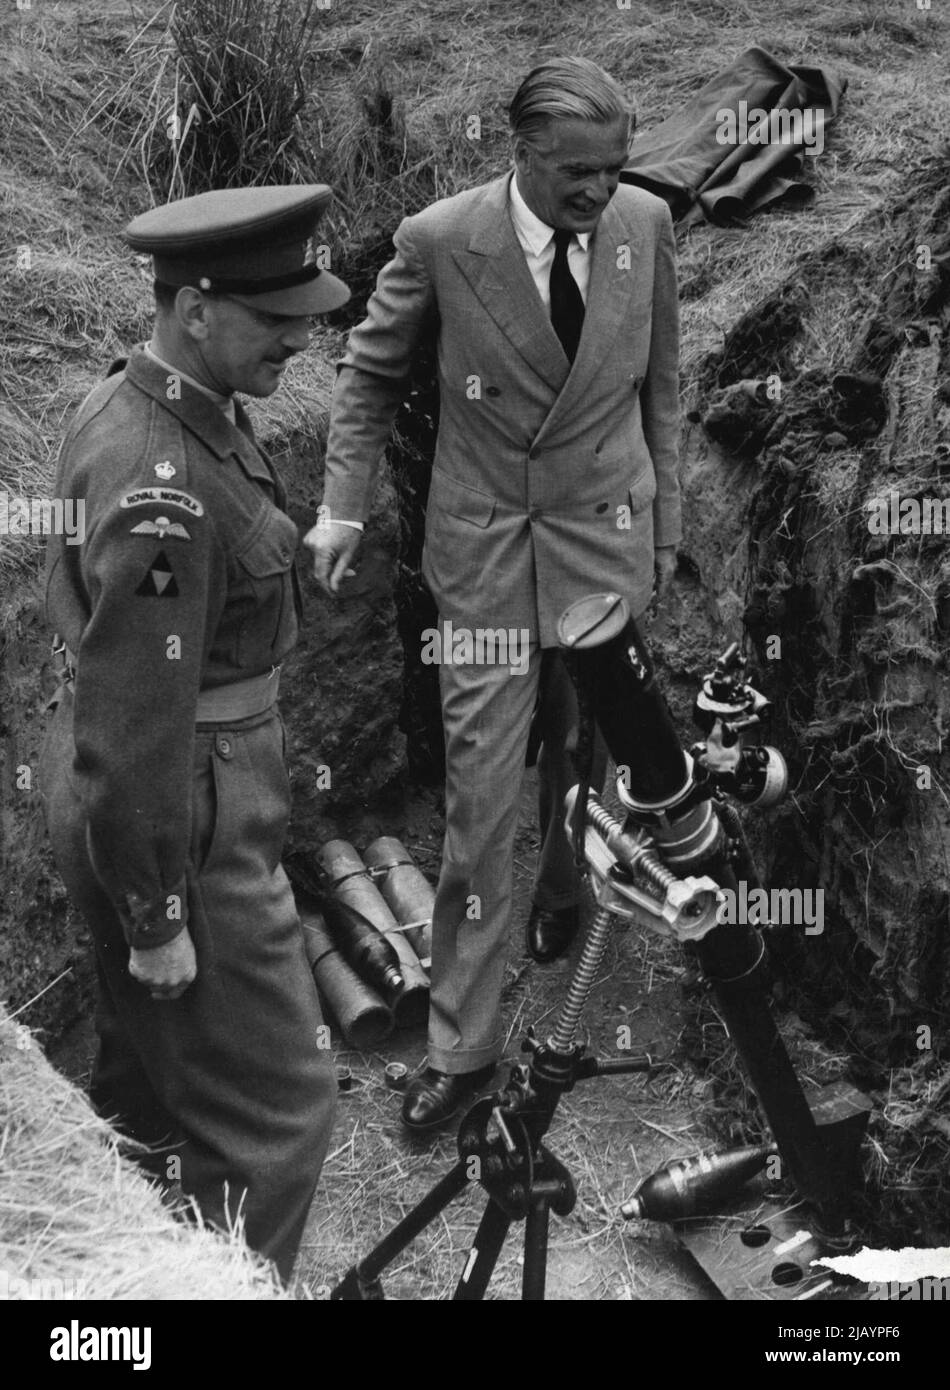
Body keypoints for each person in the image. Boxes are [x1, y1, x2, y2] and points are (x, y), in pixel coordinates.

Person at [306, 57, 682, 1133]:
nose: (597, 194)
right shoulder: (439, 241)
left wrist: (663, 531)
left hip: (603, 544)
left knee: (586, 754)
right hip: (487, 564)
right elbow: (370, 375)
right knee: (480, 803)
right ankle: (463, 1047)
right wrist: (340, 506)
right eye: (575, 174)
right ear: (515, 152)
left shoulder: (645, 225)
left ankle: (567, 887)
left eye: (612, 170)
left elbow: (662, 382)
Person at [39, 185, 351, 1283]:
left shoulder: (155, 402)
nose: (301, 337)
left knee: (143, 1085)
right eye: (277, 319)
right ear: (197, 309)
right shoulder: (160, 481)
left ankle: (127, 1279)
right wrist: (158, 913)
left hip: (181, 792)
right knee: (278, 1113)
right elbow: (136, 725)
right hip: (183, 817)